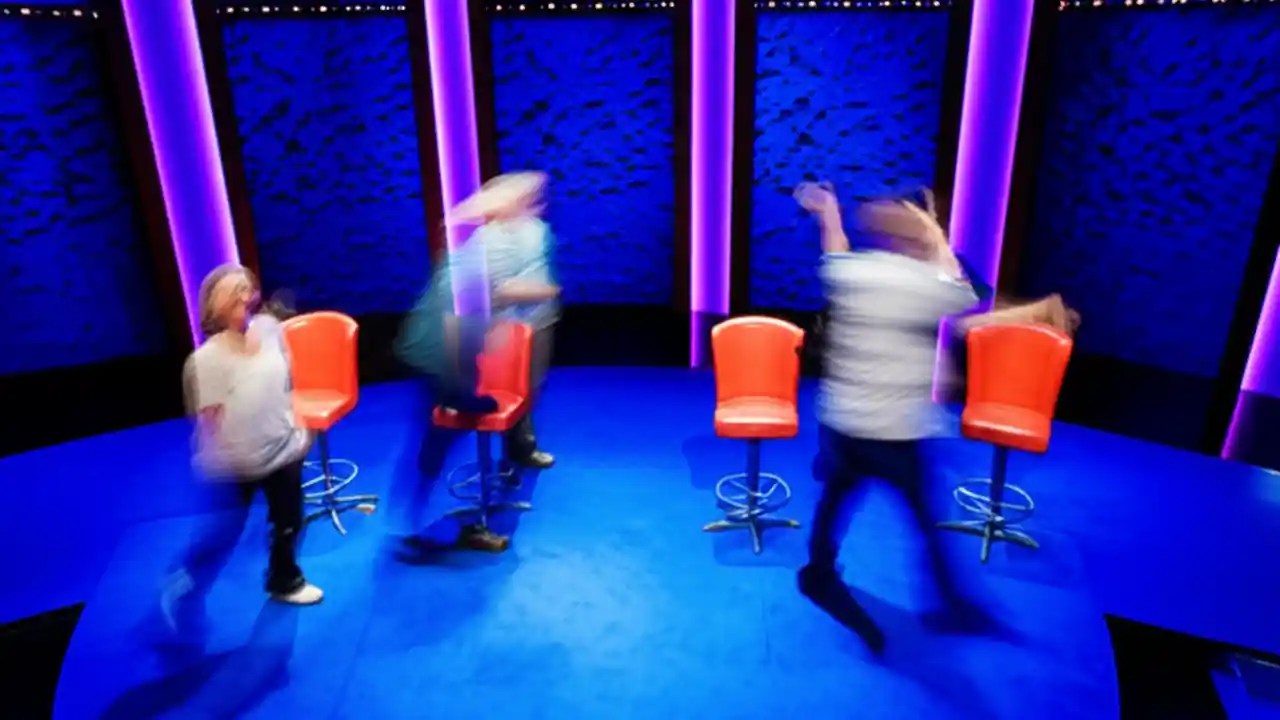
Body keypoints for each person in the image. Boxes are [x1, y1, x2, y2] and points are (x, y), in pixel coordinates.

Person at [791, 182, 1077, 652]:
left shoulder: (857, 273)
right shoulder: (920, 284)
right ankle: (946, 603)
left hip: (845, 424)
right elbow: (962, 291)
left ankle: (819, 573)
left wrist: (829, 213)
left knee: (837, 504)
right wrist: (934, 231)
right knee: (923, 521)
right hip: (895, 434)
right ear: (912, 240)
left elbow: (835, 254)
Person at [162, 264, 323, 635]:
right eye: (230, 292)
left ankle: (285, 580)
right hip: (233, 464)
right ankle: (185, 584)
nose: (241, 296)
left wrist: (299, 429)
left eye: (244, 289)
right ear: (212, 307)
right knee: (223, 535)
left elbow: (289, 381)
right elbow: (210, 423)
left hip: (282, 449)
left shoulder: (270, 333)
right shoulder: (207, 360)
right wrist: (237, 459)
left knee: (290, 521)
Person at [451, 171, 561, 470]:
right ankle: (513, 448)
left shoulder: (536, 229)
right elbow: (499, 290)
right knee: (512, 388)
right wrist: (546, 290)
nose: (531, 202)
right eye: (521, 197)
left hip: (540, 322)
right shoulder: (487, 240)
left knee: (532, 388)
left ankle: (521, 445)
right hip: (507, 329)